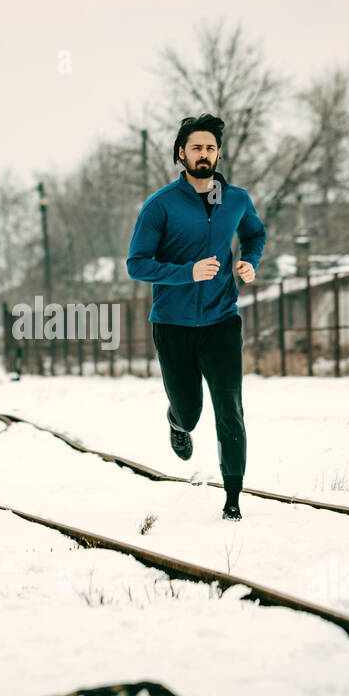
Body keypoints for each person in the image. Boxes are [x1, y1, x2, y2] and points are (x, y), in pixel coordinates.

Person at [125, 114, 266, 520]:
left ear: (218, 153)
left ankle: (233, 499)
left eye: (210, 148)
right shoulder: (160, 205)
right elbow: (137, 264)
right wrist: (184, 274)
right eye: (196, 148)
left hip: (222, 320)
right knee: (190, 409)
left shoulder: (236, 199)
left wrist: (248, 262)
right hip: (173, 324)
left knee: (230, 406)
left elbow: (254, 234)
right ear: (180, 153)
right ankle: (177, 421)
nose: (204, 154)